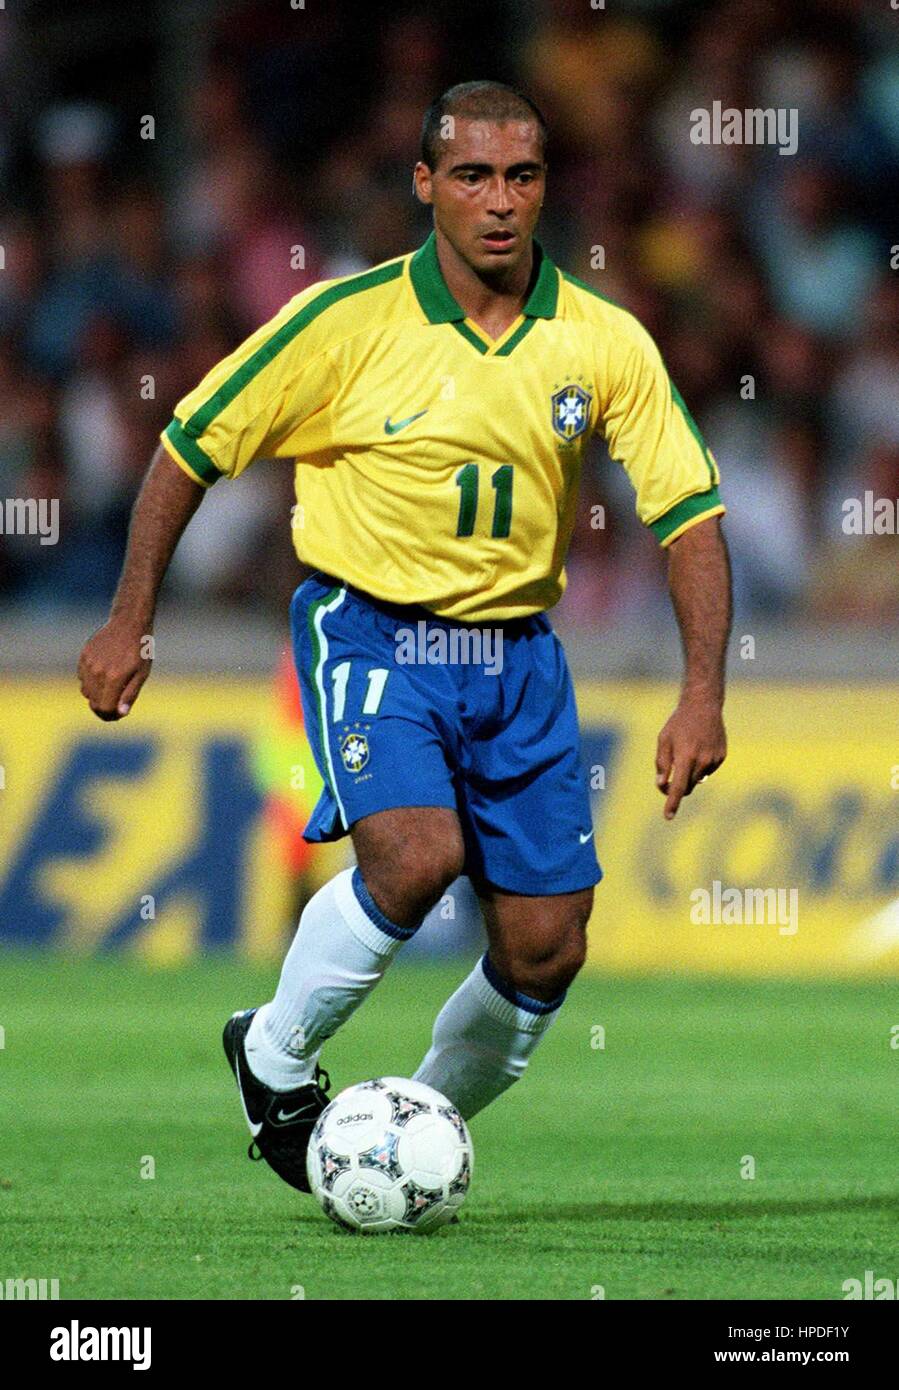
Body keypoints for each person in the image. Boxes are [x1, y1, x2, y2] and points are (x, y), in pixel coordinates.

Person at [77, 81, 731, 1195]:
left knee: (545, 948)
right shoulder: (341, 323)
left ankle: (405, 1131)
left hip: (519, 659)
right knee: (415, 856)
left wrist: (701, 692)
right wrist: (130, 614)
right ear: (424, 184)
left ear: (542, 188)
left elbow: (688, 516)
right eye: (471, 175)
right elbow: (187, 444)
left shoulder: (601, 339)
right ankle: (273, 1053)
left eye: (520, 176)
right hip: (371, 632)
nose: (498, 202)